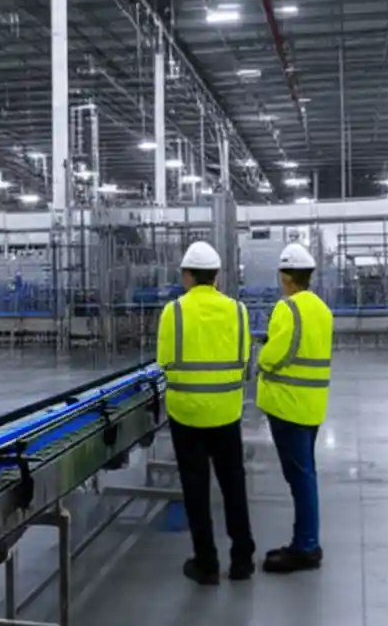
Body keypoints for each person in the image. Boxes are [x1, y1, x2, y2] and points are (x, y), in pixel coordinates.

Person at [157, 241, 256, 585]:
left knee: (196, 490)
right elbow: (245, 359)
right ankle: (242, 560)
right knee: (234, 485)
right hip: (227, 413)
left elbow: (164, 361)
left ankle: (207, 563)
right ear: (216, 277)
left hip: (186, 414)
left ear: (187, 275)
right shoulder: (239, 311)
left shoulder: (174, 312)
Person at [257, 242, 333, 573]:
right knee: (305, 473)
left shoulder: (288, 309)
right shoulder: (322, 309)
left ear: (286, 277)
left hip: (288, 405)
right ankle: (305, 541)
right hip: (312, 405)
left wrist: (261, 357)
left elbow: (276, 355)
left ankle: (305, 546)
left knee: (300, 477)